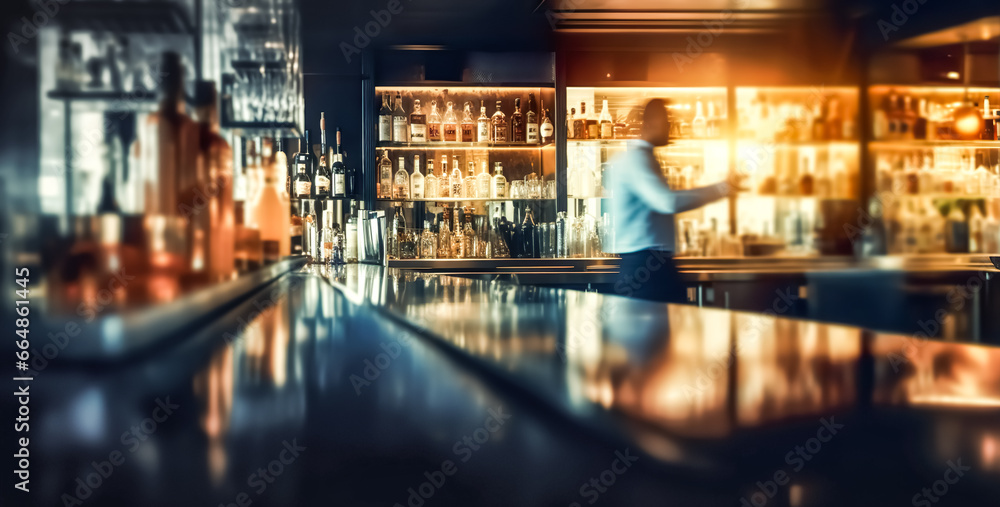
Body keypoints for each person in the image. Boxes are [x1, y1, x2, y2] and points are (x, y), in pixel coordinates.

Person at [608, 98, 742, 303]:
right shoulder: (637, 159)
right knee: (658, 322)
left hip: (648, 264)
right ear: (650, 123)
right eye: (666, 121)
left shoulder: (641, 158)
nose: (670, 126)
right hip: (646, 267)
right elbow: (667, 202)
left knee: (661, 322)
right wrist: (720, 189)